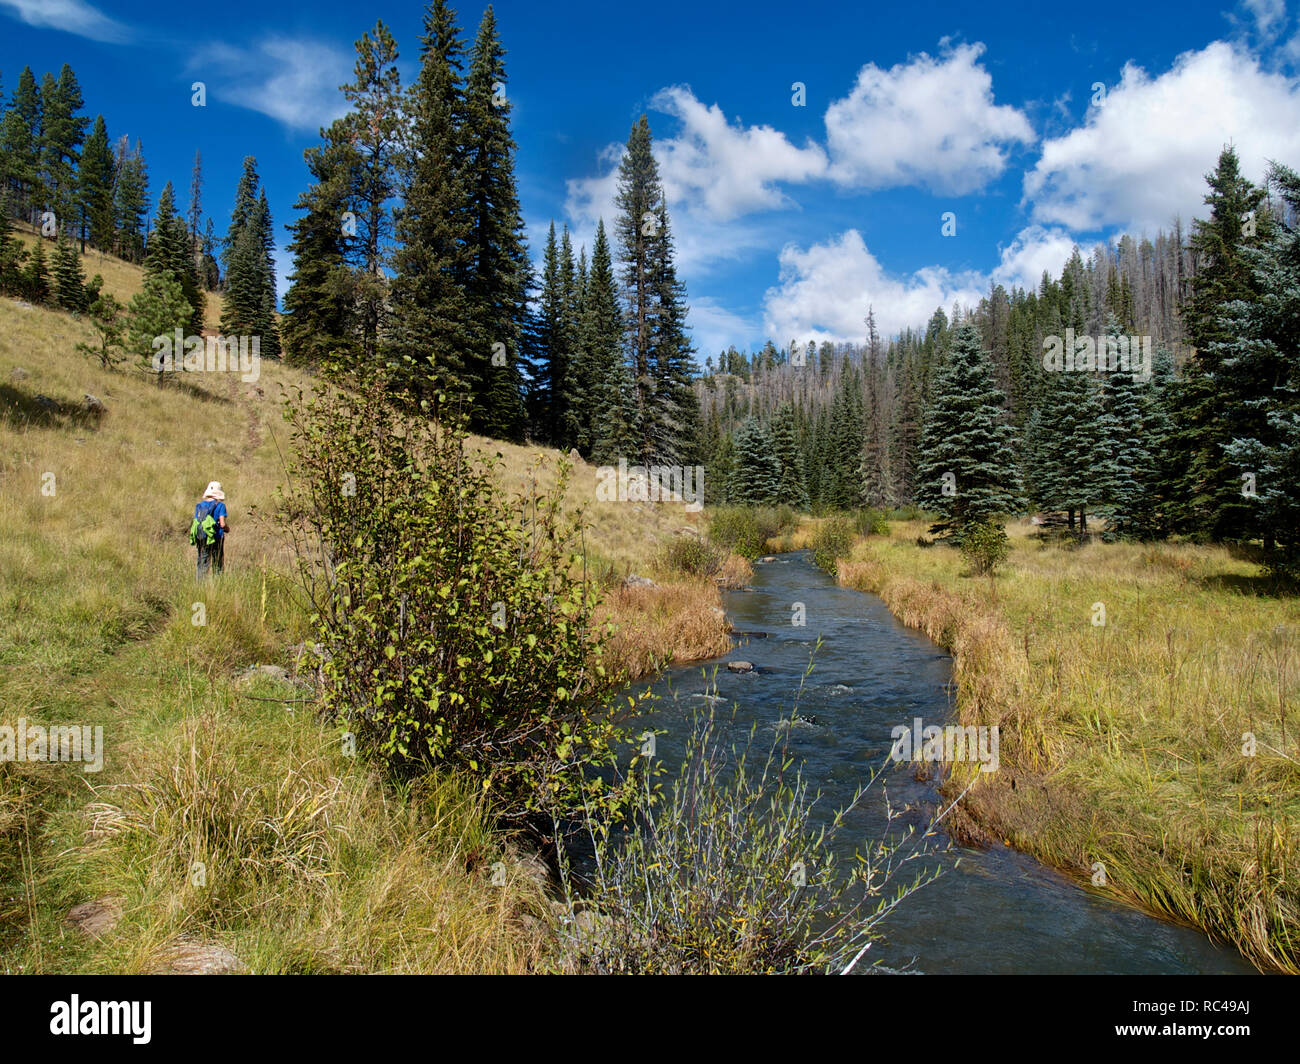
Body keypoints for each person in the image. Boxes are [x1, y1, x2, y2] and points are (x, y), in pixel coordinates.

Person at [192, 481, 229, 577]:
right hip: (216, 537)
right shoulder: (220, 505)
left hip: (202, 537)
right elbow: (222, 524)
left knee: (202, 562)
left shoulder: (200, 506)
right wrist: (227, 529)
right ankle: (218, 584)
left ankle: (200, 586)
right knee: (217, 563)